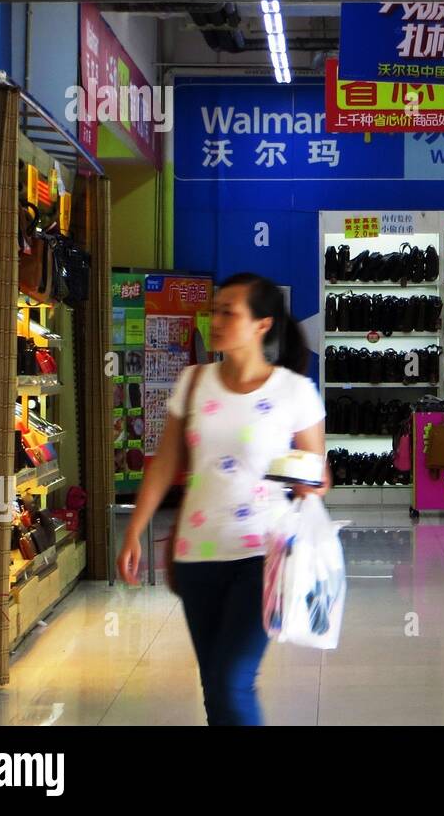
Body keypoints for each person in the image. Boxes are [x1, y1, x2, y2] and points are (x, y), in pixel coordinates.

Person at [116, 273, 326, 727]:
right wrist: (135, 529)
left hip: (263, 556)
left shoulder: (294, 392)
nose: (215, 319)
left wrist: (308, 480)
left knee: (232, 680)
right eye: (215, 309)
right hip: (197, 557)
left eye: (228, 311)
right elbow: (166, 463)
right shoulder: (193, 383)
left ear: (261, 324)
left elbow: (318, 471)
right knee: (214, 683)